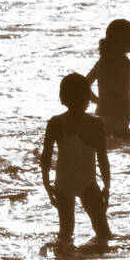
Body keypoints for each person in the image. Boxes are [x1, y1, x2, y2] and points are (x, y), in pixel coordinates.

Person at [41, 73, 112, 245]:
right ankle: (101, 257)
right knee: (103, 231)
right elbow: (102, 158)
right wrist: (107, 186)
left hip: (63, 182)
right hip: (87, 182)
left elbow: (46, 157)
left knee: (65, 232)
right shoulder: (96, 124)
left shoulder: (55, 122)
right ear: (87, 96)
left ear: (63, 97)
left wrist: (46, 184)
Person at [85, 18, 130, 140]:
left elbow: (84, 85)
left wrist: (99, 101)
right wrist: (99, 101)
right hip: (116, 121)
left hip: (106, 117)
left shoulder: (103, 62)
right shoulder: (125, 64)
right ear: (121, 40)